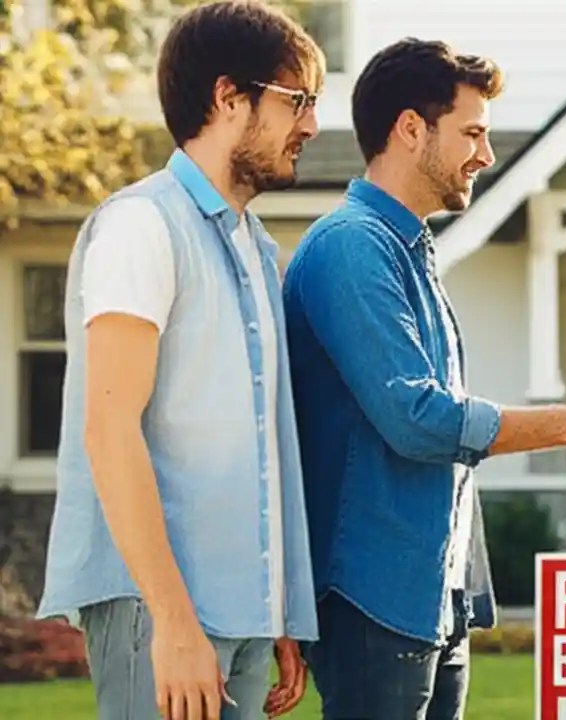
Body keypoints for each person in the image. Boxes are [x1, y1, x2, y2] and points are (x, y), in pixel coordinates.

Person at [281, 38, 566, 720]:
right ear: (409, 129)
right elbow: (418, 420)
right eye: (472, 133)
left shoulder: (410, 250)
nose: (486, 156)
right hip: (377, 596)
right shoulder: (351, 246)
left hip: (435, 594)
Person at [36, 2, 325, 717]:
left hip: (245, 613)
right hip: (158, 610)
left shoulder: (259, 250)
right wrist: (171, 619)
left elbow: (260, 445)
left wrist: (278, 609)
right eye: (299, 102)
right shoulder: (141, 226)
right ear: (229, 98)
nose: (312, 126)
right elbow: (109, 430)